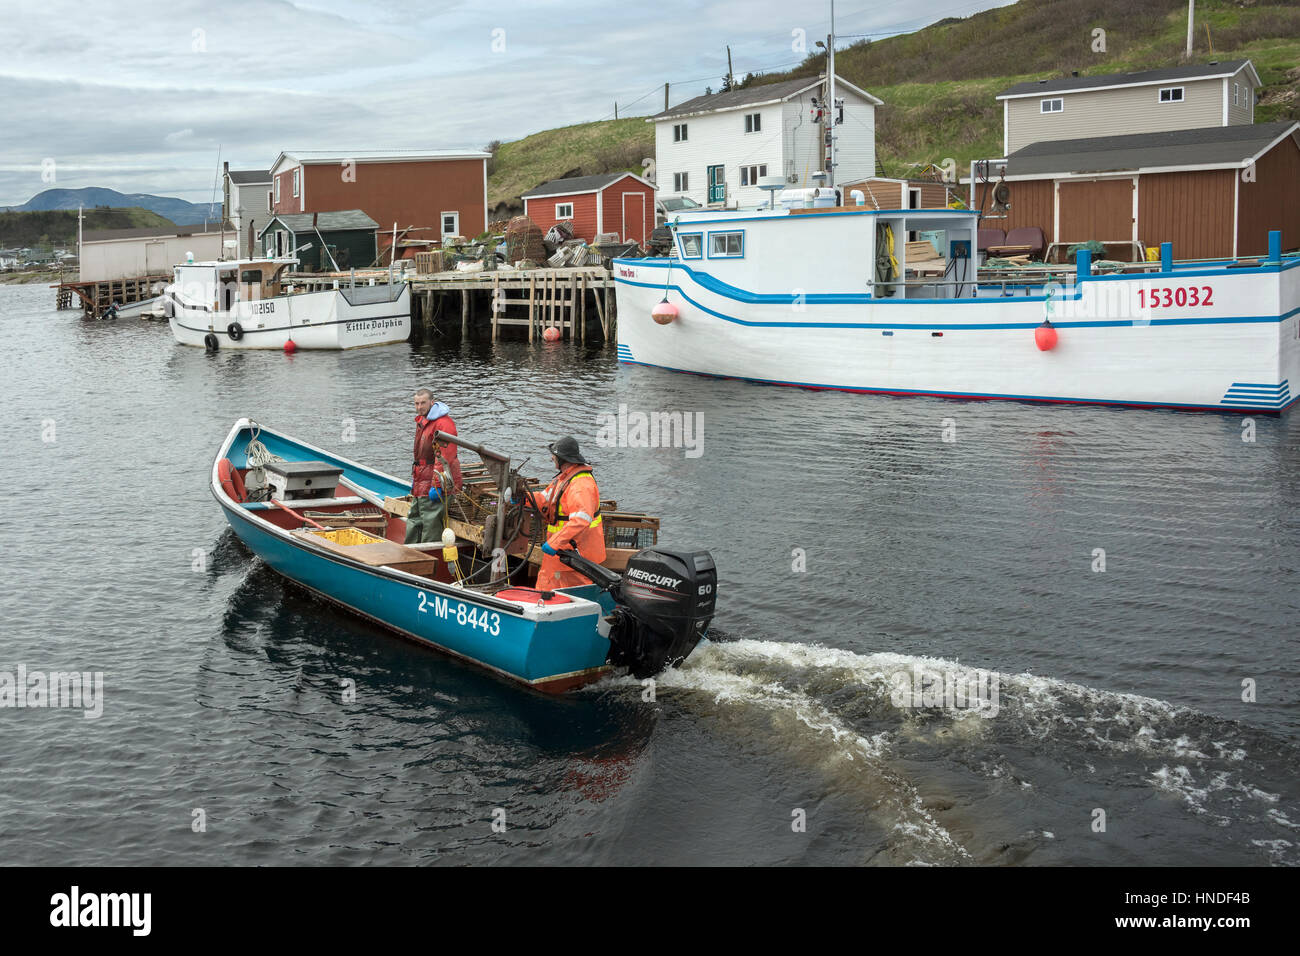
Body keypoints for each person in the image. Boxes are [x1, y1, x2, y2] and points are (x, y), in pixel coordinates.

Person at [530, 436, 607, 590]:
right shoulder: (565, 478)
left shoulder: (580, 484)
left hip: (576, 557)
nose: (552, 458)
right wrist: (524, 498)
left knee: (574, 595)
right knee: (547, 588)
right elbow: (546, 499)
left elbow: (581, 520)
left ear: (562, 458)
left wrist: (554, 543)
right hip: (562, 554)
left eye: (554, 456)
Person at [406, 389, 463, 545]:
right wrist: (415, 480)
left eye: (423, 403)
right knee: (414, 518)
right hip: (421, 479)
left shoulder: (443, 424)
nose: (419, 407)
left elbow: (446, 457)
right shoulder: (423, 421)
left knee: (430, 522)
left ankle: (427, 558)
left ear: (432, 402)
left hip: (435, 480)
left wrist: (437, 485)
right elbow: (421, 457)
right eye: (416, 403)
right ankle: (409, 552)